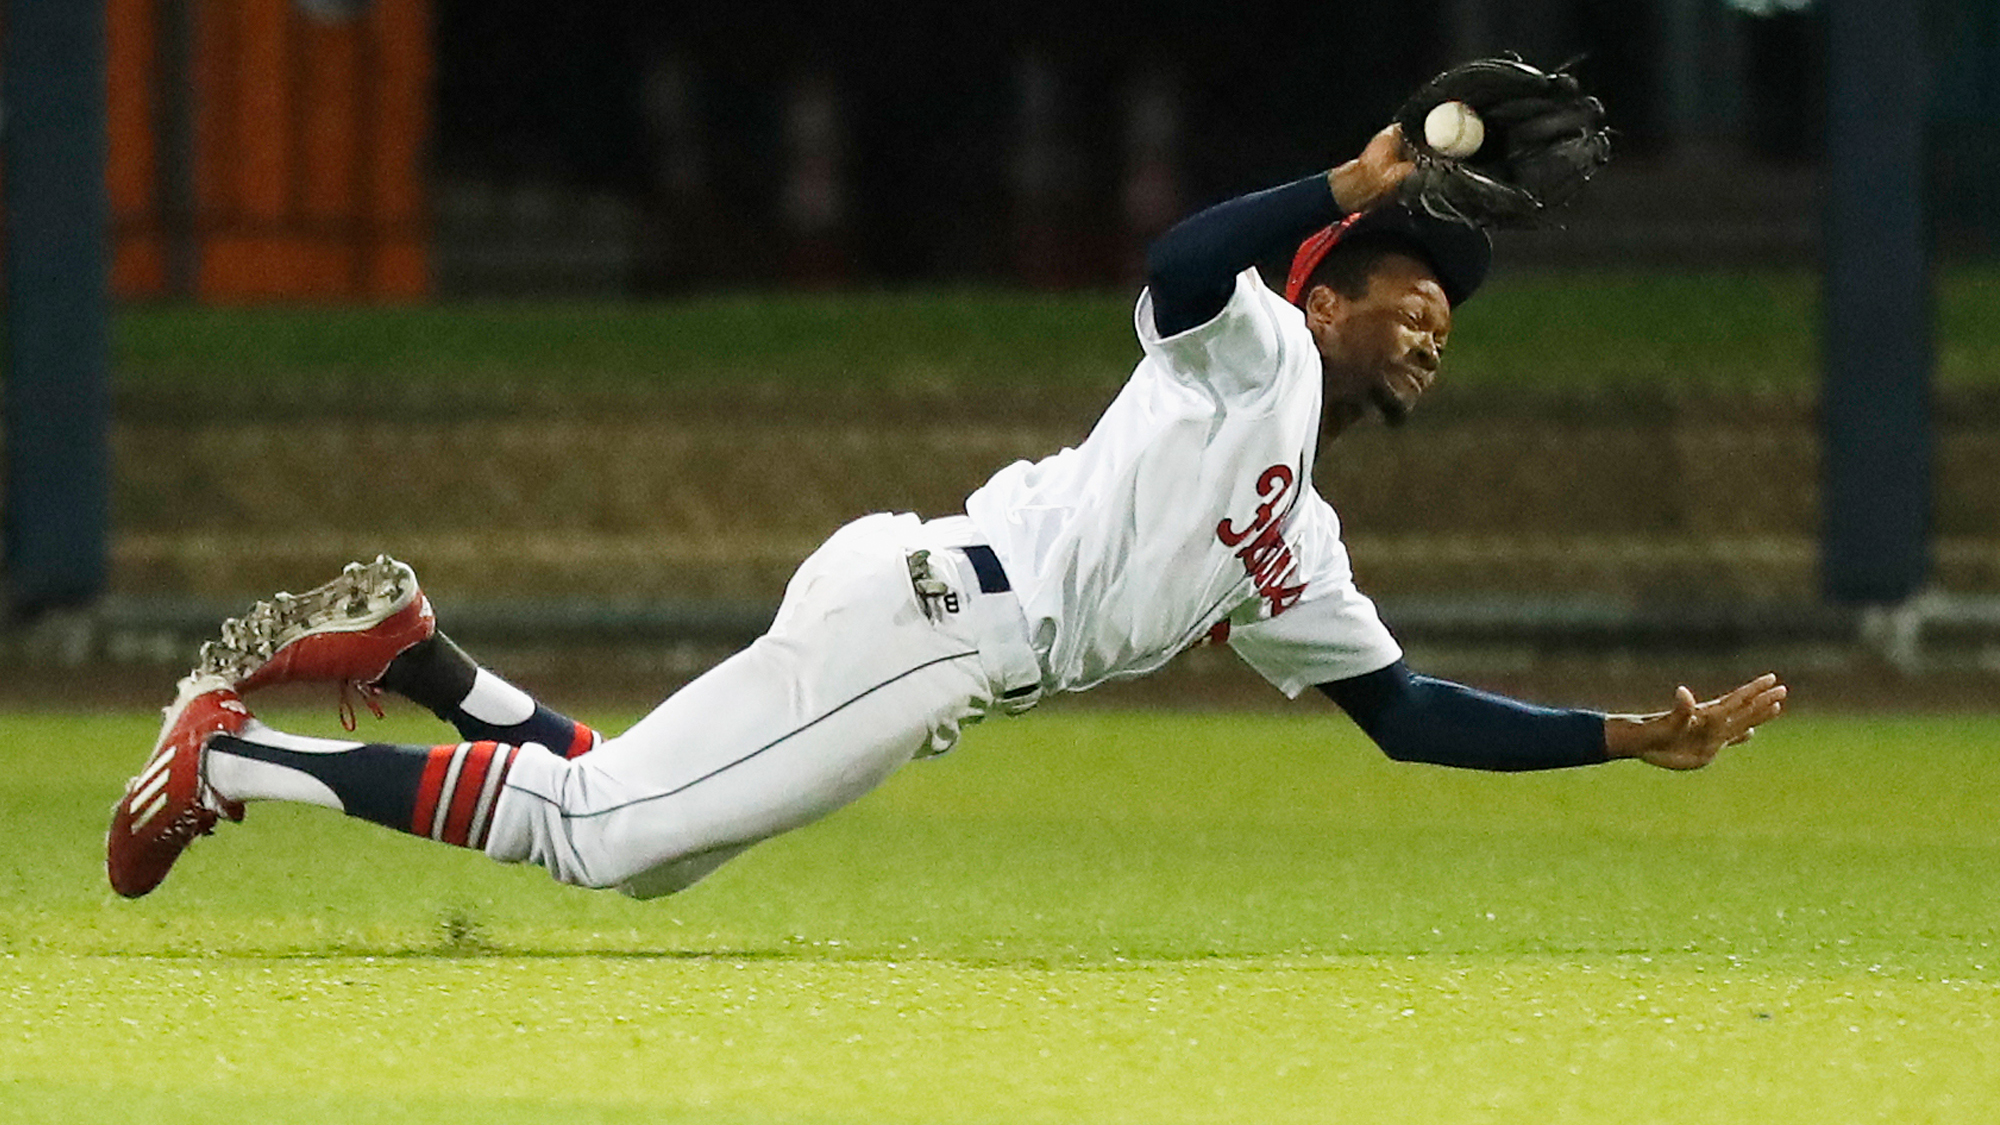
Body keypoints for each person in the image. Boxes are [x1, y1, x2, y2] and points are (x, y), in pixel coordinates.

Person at [107, 123, 1787, 900]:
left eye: (1451, 312)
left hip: (921, 627)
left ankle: (425, 659)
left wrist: (1624, 737)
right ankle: (231, 758)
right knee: (603, 831)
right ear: (1334, 297)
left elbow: (1407, 716)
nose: (1433, 318)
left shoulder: (1305, 544)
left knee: (640, 850)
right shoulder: (1253, 343)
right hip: (934, 618)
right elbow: (1181, 261)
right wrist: (1352, 190)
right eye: (1411, 287)